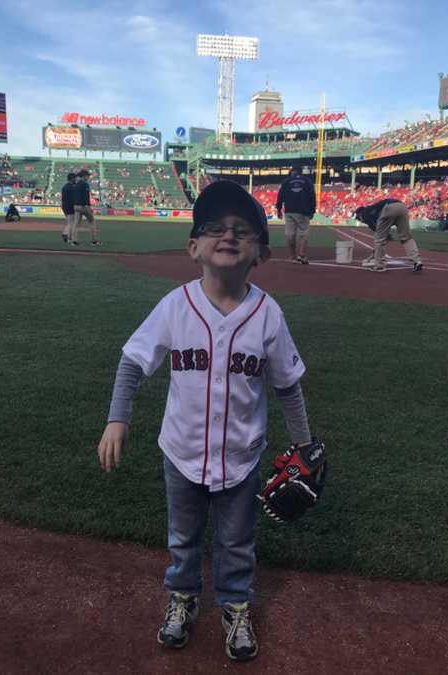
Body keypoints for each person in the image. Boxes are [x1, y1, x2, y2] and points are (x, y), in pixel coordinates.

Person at [97, 180, 314, 663]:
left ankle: (236, 605)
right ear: (193, 246)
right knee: (183, 538)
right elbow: (133, 361)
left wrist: (302, 445)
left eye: (243, 230)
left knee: (237, 542)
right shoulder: (176, 305)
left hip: (241, 456)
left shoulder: (268, 315)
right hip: (181, 452)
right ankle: (183, 596)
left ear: (260, 252)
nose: (229, 235)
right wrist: (118, 420)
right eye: (214, 227)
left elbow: (287, 386)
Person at [355, 199, 423, 273]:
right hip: (402, 207)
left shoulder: (365, 213)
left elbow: (378, 232)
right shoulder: (372, 210)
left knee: (379, 240)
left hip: (389, 208)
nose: (361, 221)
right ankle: (417, 261)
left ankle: (380, 266)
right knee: (406, 237)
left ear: (360, 214)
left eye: (359, 218)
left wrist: (376, 252)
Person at [275, 166, 316, 264]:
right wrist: (312, 211)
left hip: (289, 211)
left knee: (290, 235)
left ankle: (293, 256)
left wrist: (279, 209)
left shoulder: (286, 181)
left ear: (292, 172)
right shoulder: (307, 181)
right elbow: (312, 196)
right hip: (304, 211)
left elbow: (280, 196)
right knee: (303, 234)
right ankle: (301, 255)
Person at [75, 169, 101, 246]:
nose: (88, 177)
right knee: (92, 222)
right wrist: (88, 206)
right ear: (84, 176)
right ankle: (93, 241)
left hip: (76, 206)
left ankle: (74, 240)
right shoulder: (85, 184)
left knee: (76, 224)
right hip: (83, 206)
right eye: (87, 176)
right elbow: (86, 197)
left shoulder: (76, 184)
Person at [60, 173, 79, 244]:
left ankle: (67, 235)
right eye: (75, 178)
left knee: (69, 221)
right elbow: (74, 198)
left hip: (64, 205)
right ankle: (66, 235)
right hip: (70, 205)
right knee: (71, 222)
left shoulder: (64, 186)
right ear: (72, 178)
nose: (76, 180)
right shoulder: (72, 187)